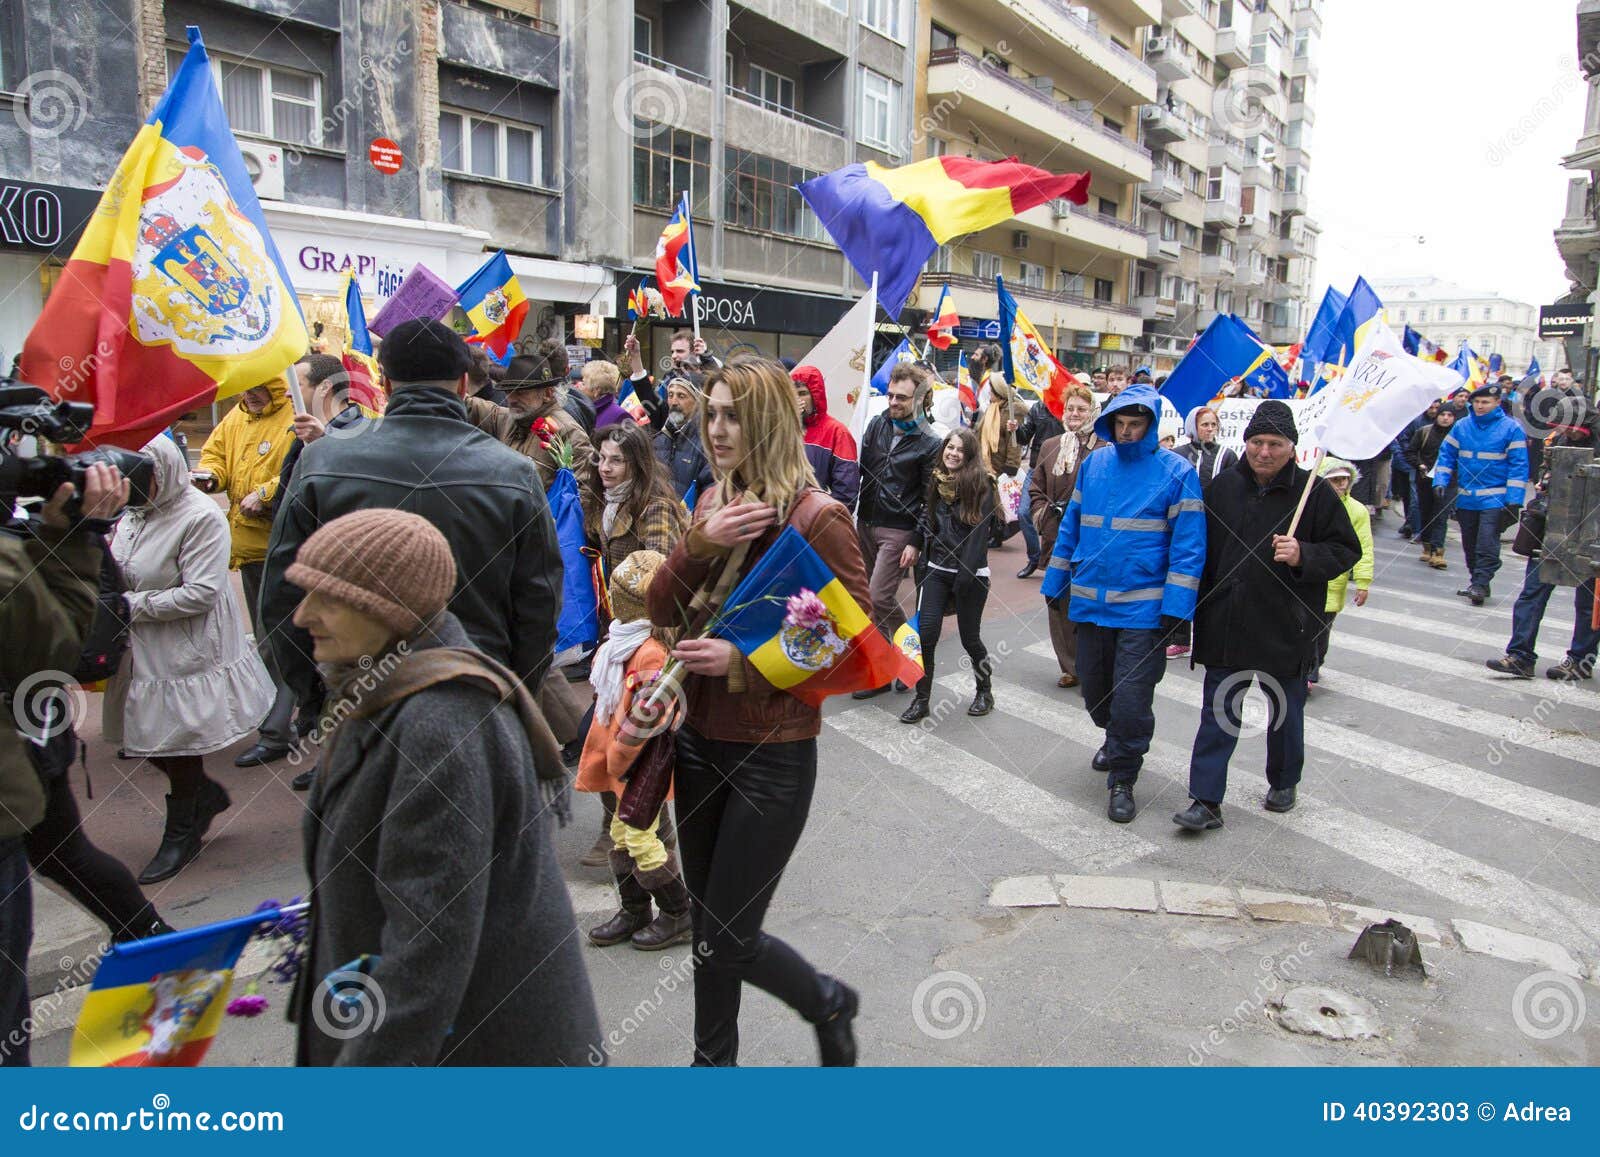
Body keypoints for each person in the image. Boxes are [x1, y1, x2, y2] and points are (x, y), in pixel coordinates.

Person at [288, 509, 600, 1065]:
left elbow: (429, 947)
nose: (302, 614)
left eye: (326, 598)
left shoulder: (440, 723)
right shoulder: (382, 689)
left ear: (387, 609)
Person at [645, 356, 863, 1066]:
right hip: (698, 741)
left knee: (731, 934)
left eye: (733, 414)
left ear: (768, 418)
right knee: (709, 932)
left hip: (772, 753)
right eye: (710, 413)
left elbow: (849, 643)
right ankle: (713, 1068)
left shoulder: (818, 517)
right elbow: (659, 609)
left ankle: (826, 999)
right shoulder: (713, 500)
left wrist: (742, 664)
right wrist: (700, 542)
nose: (716, 429)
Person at [262, 319, 564, 724]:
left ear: (384, 385)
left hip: (364, 695)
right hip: (477, 691)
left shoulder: (322, 460)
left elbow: (282, 591)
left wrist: (316, 694)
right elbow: (539, 605)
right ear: (462, 384)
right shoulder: (513, 473)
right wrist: (516, 691)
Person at [1176, 401, 1360, 832]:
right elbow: (1201, 552)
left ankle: (1283, 781)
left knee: (1283, 713)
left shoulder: (1313, 493)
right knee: (1219, 714)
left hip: (1286, 623)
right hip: (1227, 622)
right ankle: (1205, 800)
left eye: (1274, 444)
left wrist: (1304, 555)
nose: (1263, 452)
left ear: (1291, 447)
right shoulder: (1222, 487)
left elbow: (1346, 550)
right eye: (1256, 442)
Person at [2, 462, 128, 1067]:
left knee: (66, 853)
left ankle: (150, 938)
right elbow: (53, 648)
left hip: (30, 744)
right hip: (20, 753)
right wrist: (72, 538)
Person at [105, 435, 275, 881]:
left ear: (164, 472)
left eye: (140, 478)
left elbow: (201, 593)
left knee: (174, 739)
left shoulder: (200, 517)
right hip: (144, 646)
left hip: (187, 645)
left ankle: (182, 831)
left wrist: (125, 606)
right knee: (144, 735)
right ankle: (202, 796)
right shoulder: (131, 515)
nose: (131, 486)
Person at [1039, 383, 1206, 824]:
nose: (1127, 431)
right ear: (1110, 424)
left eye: (1136, 424)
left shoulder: (1177, 471)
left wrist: (1177, 611)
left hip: (1144, 610)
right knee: (1095, 692)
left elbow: (1189, 547)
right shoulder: (1094, 465)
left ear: (1150, 427)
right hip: (1092, 605)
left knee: (1131, 700)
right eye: (1121, 423)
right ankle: (1114, 737)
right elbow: (1071, 526)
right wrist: (1055, 578)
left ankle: (1123, 778)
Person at [576, 550, 692, 950]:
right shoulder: (623, 641)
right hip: (619, 762)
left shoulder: (650, 652)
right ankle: (634, 908)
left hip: (638, 767)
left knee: (643, 839)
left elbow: (651, 717)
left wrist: (621, 756)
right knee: (620, 836)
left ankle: (679, 913)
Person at [195, 378, 298, 767]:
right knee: (271, 636)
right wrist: (210, 476)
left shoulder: (295, 416)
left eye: (260, 388)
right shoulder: (236, 417)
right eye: (246, 388)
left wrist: (267, 493)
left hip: (285, 544)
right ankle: (295, 715)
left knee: (278, 639)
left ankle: (276, 732)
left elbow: (301, 465)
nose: (251, 395)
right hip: (252, 548)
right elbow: (215, 455)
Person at [1486, 401, 1599, 680]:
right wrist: (1544, 483)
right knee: (1532, 594)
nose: (1564, 433)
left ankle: (1580, 660)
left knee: (1587, 603)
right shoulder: (1559, 441)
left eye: (1568, 429)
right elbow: (1546, 475)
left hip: (1591, 534)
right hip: (1554, 529)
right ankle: (1520, 656)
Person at [852, 361, 942, 699]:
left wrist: (917, 539)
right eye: (890, 395)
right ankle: (884, 669)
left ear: (920, 400)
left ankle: (905, 658)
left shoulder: (931, 442)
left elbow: (929, 499)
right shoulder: (877, 425)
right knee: (869, 600)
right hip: (867, 522)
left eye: (901, 398)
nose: (893, 402)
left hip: (899, 530)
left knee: (879, 596)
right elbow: (857, 468)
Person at [900, 427, 998, 723]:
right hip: (935, 570)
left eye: (960, 450)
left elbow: (980, 534)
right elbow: (926, 516)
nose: (953, 454)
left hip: (970, 574)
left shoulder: (982, 484)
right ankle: (921, 700)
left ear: (969, 457)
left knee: (970, 638)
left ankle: (985, 690)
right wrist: (915, 542)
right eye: (950, 448)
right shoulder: (937, 479)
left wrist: (964, 577)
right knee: (926, 635)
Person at [461, 348, 602, 510]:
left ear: (547, 393)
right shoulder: (511, 419)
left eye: (521, 392)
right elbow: (473, 406)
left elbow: (584, 494)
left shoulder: (568, 432)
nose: (511, 399)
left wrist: (549, 525)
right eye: (509, 391)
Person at [1028, 386, 1102, 687]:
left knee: (1084, 602)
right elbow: (1035, 488)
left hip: (1090, 540)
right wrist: (1044, 515)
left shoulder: (1104, 449)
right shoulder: (1051, 445)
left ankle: (1091, 664)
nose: (1074, 414)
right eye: (1070, 408)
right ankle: (1071, 667)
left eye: (1081, 409)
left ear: (1092, 413)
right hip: (1056, 536)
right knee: (1057, 600)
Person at [1434, 383, 1529, 605]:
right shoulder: (1462, 426)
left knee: (1486, 541)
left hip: (1494, 498)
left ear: (1497, 403)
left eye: (1485, 402)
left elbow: (1519, 466)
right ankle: (1478, 579)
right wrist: (1440, 480)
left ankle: (1480, 582)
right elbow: (1446, 455)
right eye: (1476, 402)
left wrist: (1514, 501)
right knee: (1470, 543)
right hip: (1467, 497)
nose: (1479, 406)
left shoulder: (1511, 428)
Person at [1308, 457, 1374, 687]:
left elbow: (1363, 547)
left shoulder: (1357, 511)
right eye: (1335, 480)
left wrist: (1363, 581)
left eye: (1345, 479)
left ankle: (1315, 663)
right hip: (1308, 579)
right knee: (1307, 629)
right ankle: (1308, 671)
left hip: (1335, 585)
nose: (1341, 485)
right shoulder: (1307, 504)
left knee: (1322, 631)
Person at [791, 364, 860, 507]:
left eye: (803, 393)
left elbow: (846, 491)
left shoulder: (837, 432)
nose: (797, 400)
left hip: (816, 518)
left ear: (816, 396)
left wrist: (828, 521)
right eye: (793, 394)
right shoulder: (784, 428)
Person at [1012, 391, 1065, 578]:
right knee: (1024, 512)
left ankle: (1056, 562)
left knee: (1057, 519)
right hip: (1036, 469)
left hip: (1061, 471)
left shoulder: (1067, 408)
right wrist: (1016, 429)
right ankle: (1034, 558)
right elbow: (1025, 437)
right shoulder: (1037, 407)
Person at [1407, 403, 1457, 568]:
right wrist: (1419, 464)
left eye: (1450, 415)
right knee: (1426, 513)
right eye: (1443, 414)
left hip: (1448, 481)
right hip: (1425, 480)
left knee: (1441, 515)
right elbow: (1410, 452)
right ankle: (1427, 545)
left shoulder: (1458, 435)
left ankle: (1438, 551)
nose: (1445, 418)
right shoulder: (1424, 432)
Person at [652, 371, 713, 499]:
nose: (674, 402)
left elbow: (709, 495)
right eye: (670, 395)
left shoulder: (708, 443)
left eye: (681, 396)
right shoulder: (658, 440)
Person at [1174, 405, 1238, 486]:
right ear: (1193, 427)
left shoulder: (1227, 455)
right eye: (1205, 425)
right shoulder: (1178, 454)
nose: (1210, 429)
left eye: (1214, 424)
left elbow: (1234, 487)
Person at [579, 358, 636, 432]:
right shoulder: (585, 409)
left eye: (583, 383)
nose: (578, 386)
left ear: (597, 390)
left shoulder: (620, 416)